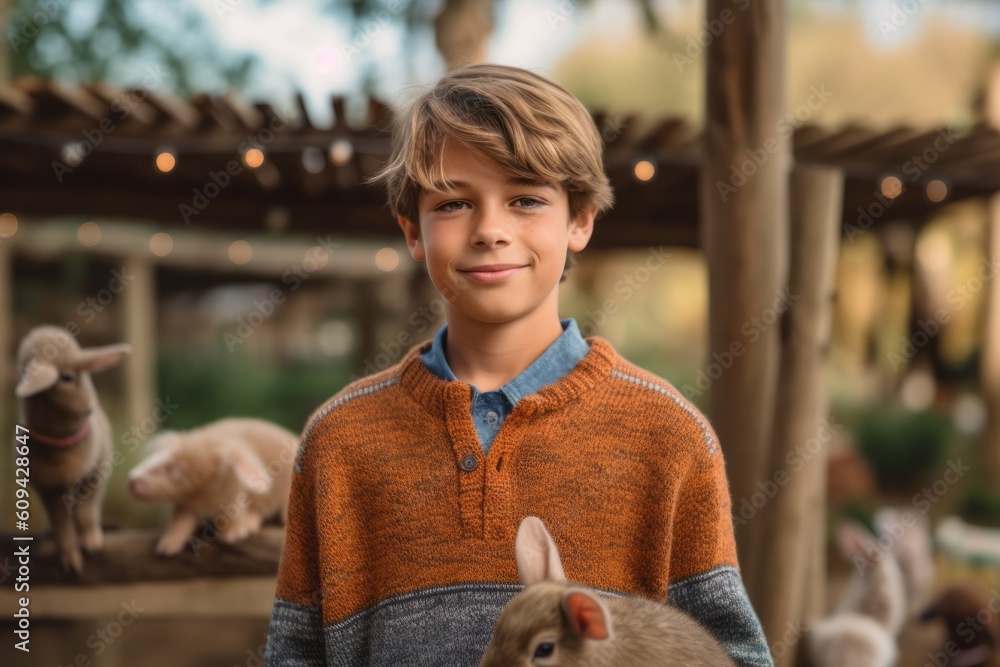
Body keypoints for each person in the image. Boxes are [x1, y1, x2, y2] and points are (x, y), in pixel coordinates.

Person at [264, 63, 773, 667]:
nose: (491, 230)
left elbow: (734, 657)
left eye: (526, 199)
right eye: (453, 203)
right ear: (412, 232)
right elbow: (295, 655)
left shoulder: (671, 437)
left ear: (580, 219)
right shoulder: (338, 441)